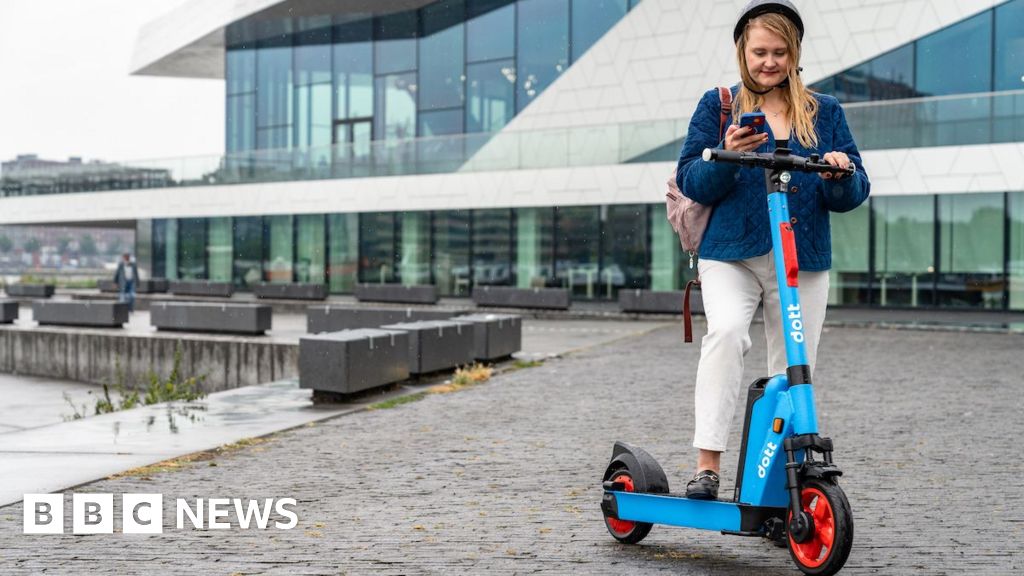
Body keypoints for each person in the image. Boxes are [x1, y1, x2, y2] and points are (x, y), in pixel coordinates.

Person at [675, 0, 870, 500]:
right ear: (743, 52)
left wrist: (836, 173)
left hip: (801, 256)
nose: (769, 62)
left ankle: (784, 478)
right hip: (732, 253)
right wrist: (730, 155)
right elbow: (692, 178)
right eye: (760, 51)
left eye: (779, 52)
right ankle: (707, 466)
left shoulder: (824, 112)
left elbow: (855, 188)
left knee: (794, 367)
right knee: (726, 334)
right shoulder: (718, 105)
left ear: (795, 53)